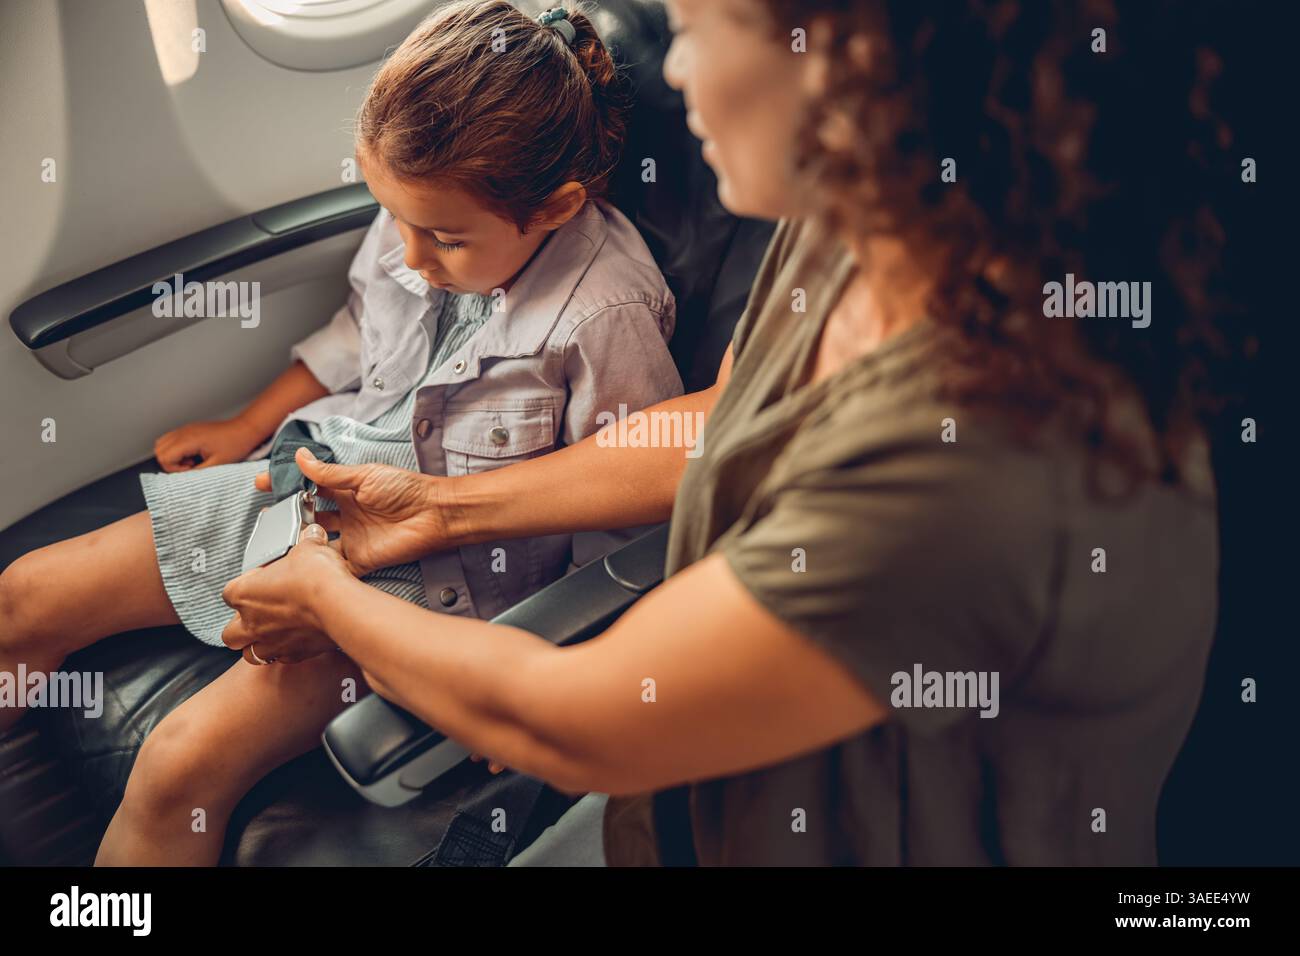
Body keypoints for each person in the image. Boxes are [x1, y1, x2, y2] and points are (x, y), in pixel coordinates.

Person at [223, 0, 1248, 865]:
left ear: (856, 66)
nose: (671, 68)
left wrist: (326, 598)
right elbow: (738, 413)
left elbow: (572, 717)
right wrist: (443, 505)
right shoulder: (858, 219)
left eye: (693, 28)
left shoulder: (984, 459)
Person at [0, 1, 683, 865]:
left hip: (438, 584)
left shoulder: (604, 314)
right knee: (25, 593)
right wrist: (249, 423)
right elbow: (359, 332)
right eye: (391, 217)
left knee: (178, 764)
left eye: (441, 238)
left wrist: (526, 666)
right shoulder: (423, 215)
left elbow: (624, 513)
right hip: (317, 474)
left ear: (553, 208)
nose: (410, 256)